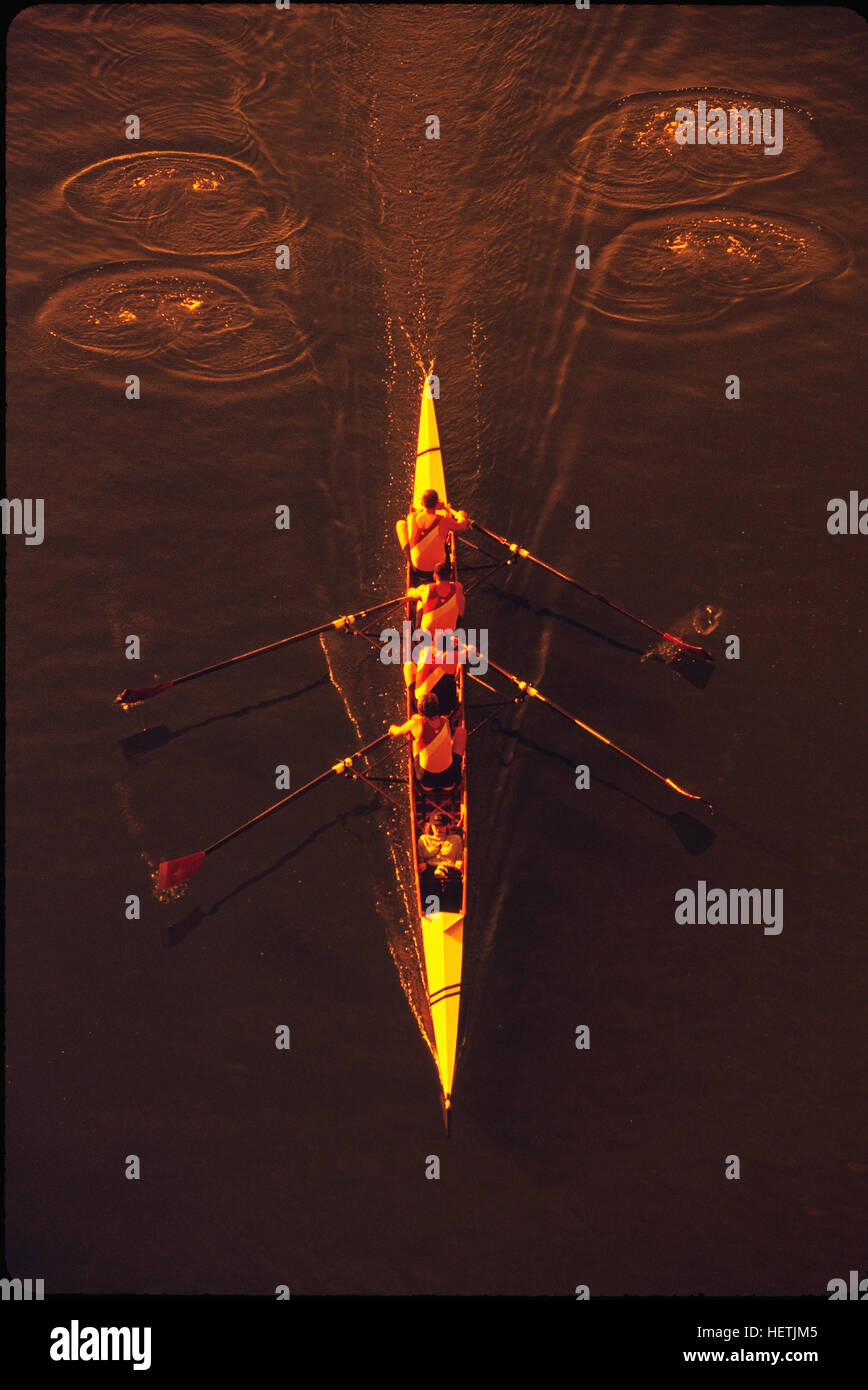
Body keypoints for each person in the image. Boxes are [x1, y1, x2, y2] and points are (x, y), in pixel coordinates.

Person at [389, 692, 466, 788]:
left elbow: (397, 731)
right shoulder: (445, 721)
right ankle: (449, 784)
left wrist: (392, 728)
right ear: (437, 707)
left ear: (419, 709)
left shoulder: (415, 724)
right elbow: (449, 740)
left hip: (425, 778)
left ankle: (426, 786)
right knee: (461, 731)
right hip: (449, 777)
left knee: (415, 739)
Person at [397, 489, 468, 580]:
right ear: (436, 503)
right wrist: (462, 516)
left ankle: (409, 556)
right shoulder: (444, 521)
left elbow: (422, 512)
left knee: (400, 524)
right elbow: (462, 526)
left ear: (422, 504)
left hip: (417, 570)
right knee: (444, 532)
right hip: (441, 571)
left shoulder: (412, 517)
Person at [403, 631, 465, 716]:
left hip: (422, 708)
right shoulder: (453, 656)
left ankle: (411, 702)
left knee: (408, 666)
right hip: (448, 706)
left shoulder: (426, 652)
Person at [407, 561, 465, 636]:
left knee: (420, 601)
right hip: (447, 636)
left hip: (425, 638)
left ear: (434, 576)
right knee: (462, 598)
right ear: (450, 576)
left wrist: (411, 591)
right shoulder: (458, 587)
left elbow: (410, 593)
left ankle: (415, 626)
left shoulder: (426, 589)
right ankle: (456, 625)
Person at [417, 812, 464, 878]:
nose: (439, 829)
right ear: (431, 826)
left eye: (442, 826)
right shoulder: (424, 839)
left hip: (450, 869)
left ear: (447, 826)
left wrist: (460, 862)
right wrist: (421, 863)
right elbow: (420, 858)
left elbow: (459, 858)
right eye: (436, 826)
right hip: (430, 869)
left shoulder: (455, 839)